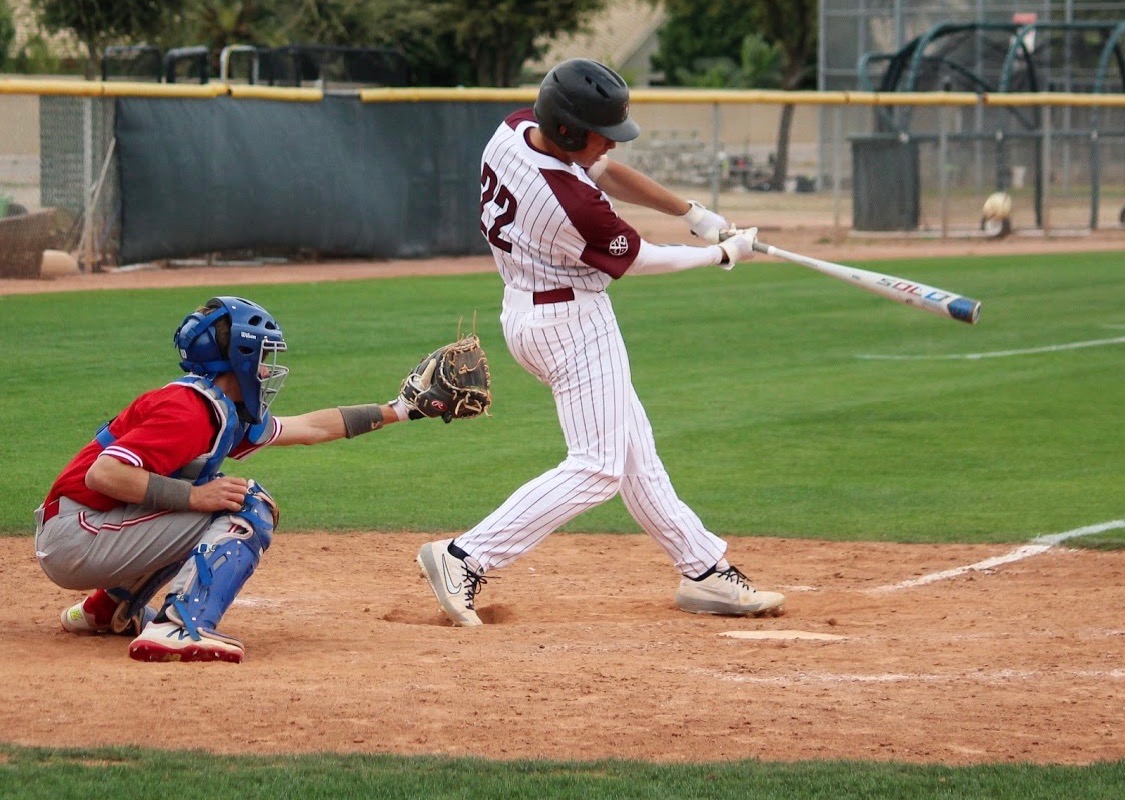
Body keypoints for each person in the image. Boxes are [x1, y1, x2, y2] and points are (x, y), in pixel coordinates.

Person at [417, 58, 785, 626]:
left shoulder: (515, 131)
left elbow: (605, 170)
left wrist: (695, 214)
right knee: (598, 467)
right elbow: (639, 258)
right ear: (568, 130)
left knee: (634, 451)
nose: (605, 146)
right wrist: (719, 253)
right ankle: (466, 555)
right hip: (573, 325)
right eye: (599, 135)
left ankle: (704, 570)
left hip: (529, 312)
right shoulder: (568, 203)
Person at [37, 295, 441, 663]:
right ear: (240, 357)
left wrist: (399, 410)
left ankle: (105, 610)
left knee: (214, 495)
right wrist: (195, 498)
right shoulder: (188, 411)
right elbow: (104, 473)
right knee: (245, 502)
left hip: (85, 529)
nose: (268, 368)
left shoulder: (217, 407)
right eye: (263, 355)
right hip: (78, 533)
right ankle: (179, 627)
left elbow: (308, 428)